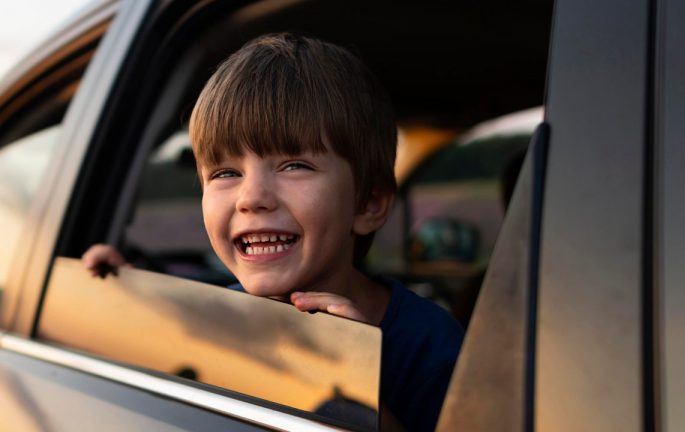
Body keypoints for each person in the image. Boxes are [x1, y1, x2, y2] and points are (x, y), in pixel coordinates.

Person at [83, 33, 464, 431]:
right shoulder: (216, 318)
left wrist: (354, 383)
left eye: (294, 165)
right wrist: (123, 296)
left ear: (369, 203)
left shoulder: (431, 347)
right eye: (226, 173)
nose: (252, 198)